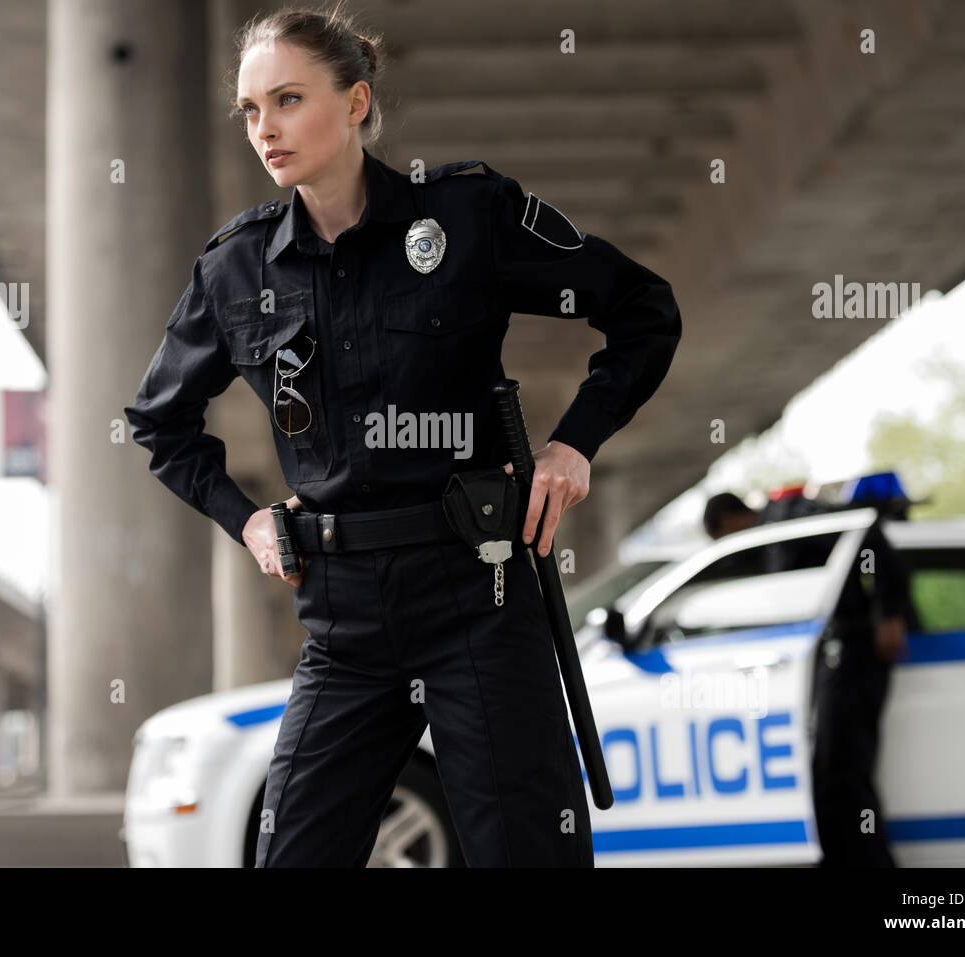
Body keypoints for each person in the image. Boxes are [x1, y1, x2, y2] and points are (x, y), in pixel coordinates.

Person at [125, 4, 682, 868]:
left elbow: (643, 311)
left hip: (479, 595)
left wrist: (574, 444)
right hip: (341, 618)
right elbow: (159, 423)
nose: (264, 129)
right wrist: (246, 519)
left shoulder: (469, 217)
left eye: (287, 100)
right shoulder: (234, 269)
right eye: (249, 110)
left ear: (355, 101)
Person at [702, 490, 910, 866]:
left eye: (724, 538)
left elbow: (866, 534)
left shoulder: (788, 517)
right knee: (827, 773)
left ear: (730, 520)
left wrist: (890, 612)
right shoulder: (773, 532)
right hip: (826, 656)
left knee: (843, 771)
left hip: (852, 650)